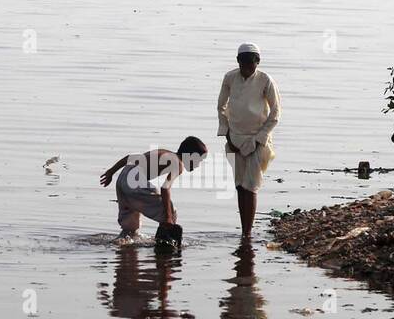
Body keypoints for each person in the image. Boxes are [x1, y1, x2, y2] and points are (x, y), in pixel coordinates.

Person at [217, 43, 281, 240]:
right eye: (243, 62)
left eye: (251, 63)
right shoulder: (230, 78)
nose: (247, 67)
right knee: (239, 186)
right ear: (238, 61)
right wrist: (227, 134)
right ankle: (244, 230)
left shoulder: (265, 80)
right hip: (234, 138)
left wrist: (260, 139)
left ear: (257, 62)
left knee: (250, 186)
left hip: (257, 139)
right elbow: (221, 107)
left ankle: (247, 233)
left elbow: (276, 113)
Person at [100, 137, 207, 238]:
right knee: (170, 211)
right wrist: (168, 218)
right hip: (135, 182)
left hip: (123, 177)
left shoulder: (163, 152)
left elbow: (130, 158)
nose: (198, 164)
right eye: (198, 160)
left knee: (130, 228)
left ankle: (123, 243)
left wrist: (111, 172)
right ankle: (164, 241)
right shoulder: (178, 164)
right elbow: (165, 189)